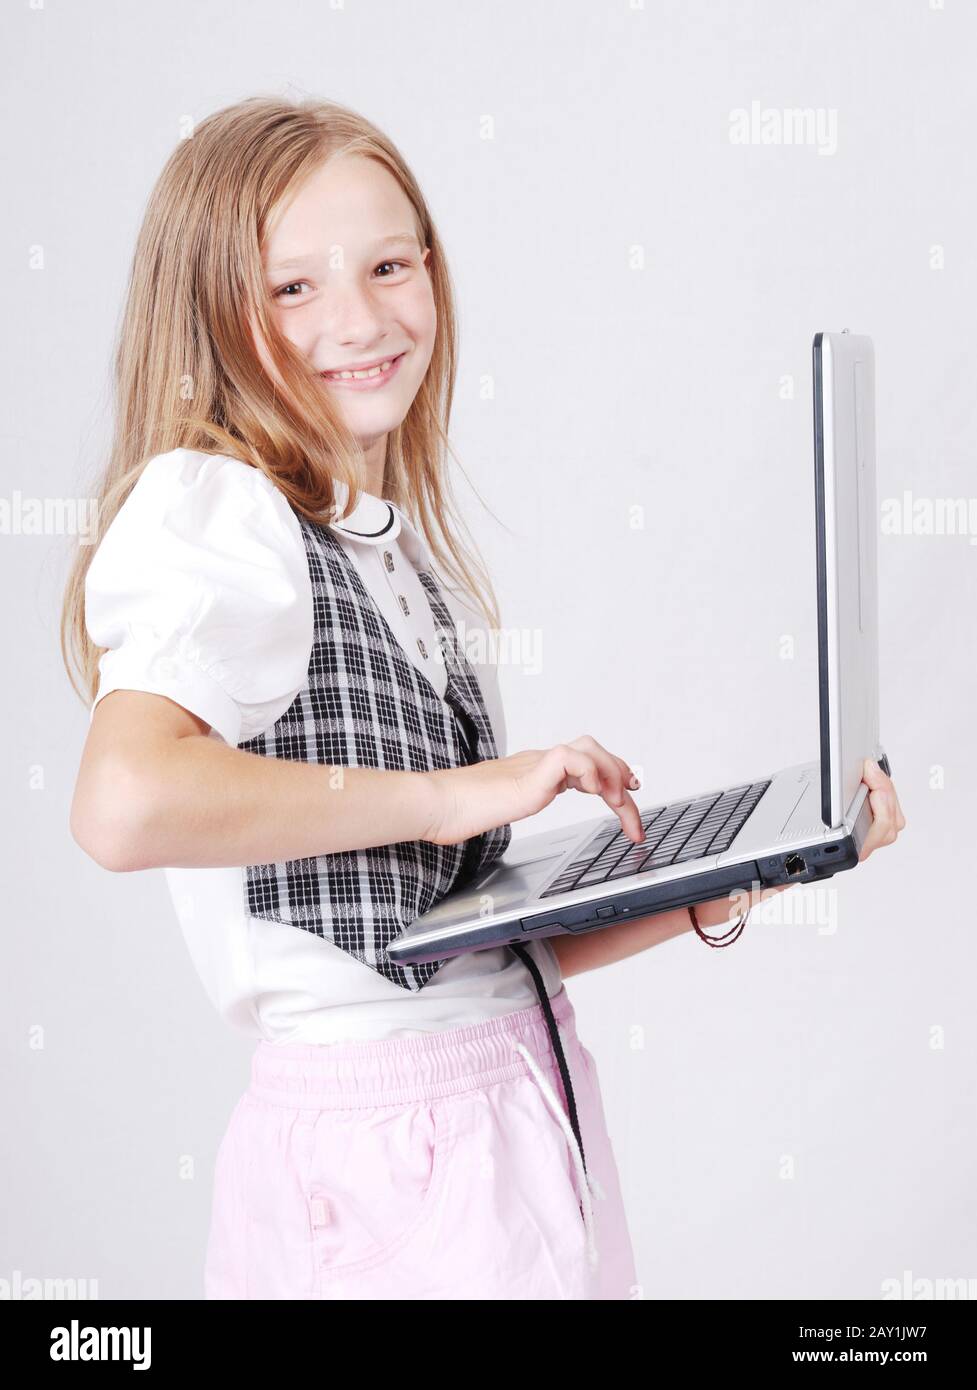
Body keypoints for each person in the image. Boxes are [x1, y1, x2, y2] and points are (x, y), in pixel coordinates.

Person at [62, 96, 906, 1301]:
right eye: (291, 287)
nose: (360, 318)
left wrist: (751, 866)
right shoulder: (218, 510)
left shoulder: (392, 554)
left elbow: (468, 949)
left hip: (510, 1111)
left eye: (389, 264)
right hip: (387, 1158)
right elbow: (122, 801)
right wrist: (459, 794)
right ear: (206, 314)